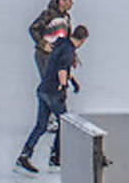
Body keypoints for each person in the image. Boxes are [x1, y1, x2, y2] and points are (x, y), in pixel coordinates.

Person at [18, 24, 88, 173]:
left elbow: (60, 65)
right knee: (64, 123)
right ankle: (55, 158)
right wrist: (63, 86)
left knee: (41, 125)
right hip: (54, 92)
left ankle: (24, 156)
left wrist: (72, 81)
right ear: (83, 40)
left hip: (43, 89)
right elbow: (62, 69)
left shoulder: (61, 44)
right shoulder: (69, 50)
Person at [28, 0, 74, 78]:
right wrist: (43, 44)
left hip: (58, 54)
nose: (71, 3)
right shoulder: (49, 14)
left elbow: (67, 38)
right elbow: (33, 29)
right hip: (45, 54)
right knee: (49, 80)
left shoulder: (66, 18)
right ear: (61, 1)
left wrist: (71, 55)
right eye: (69, 1)